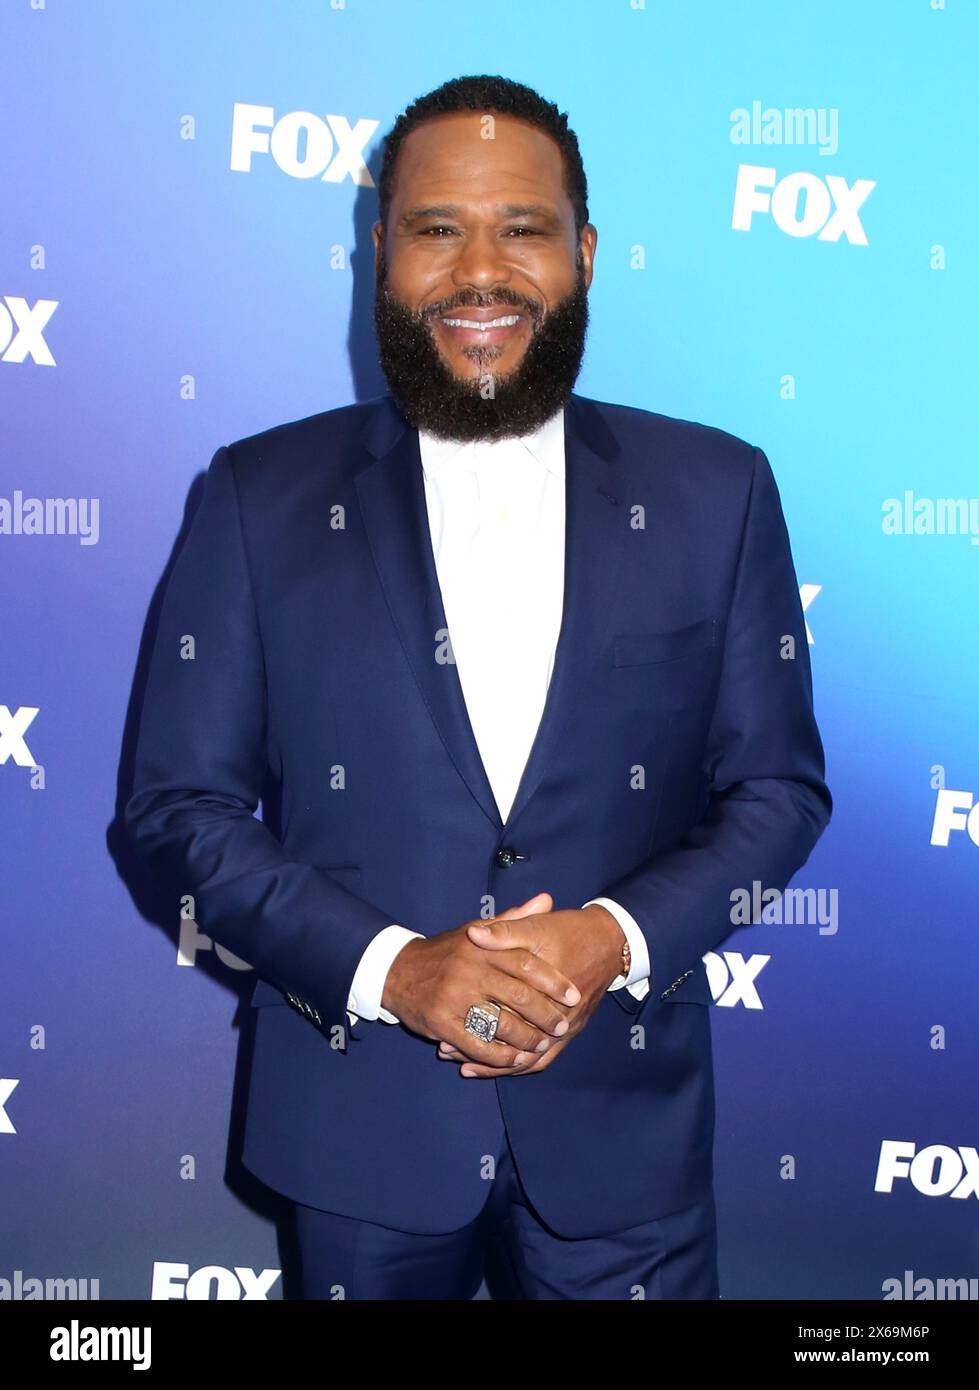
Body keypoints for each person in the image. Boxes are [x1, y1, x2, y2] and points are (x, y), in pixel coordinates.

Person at [125, 74, 831, 1300]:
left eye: (523, 226)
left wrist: (604, 941)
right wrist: (396, 967)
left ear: (587, 251)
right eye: (436, 227)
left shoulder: (717, 492)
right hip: (359, 1135)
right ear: (380, 252)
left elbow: (777, 793)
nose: (480, 269)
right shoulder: (258, 498)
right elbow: (177, 811)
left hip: (625, 1149)